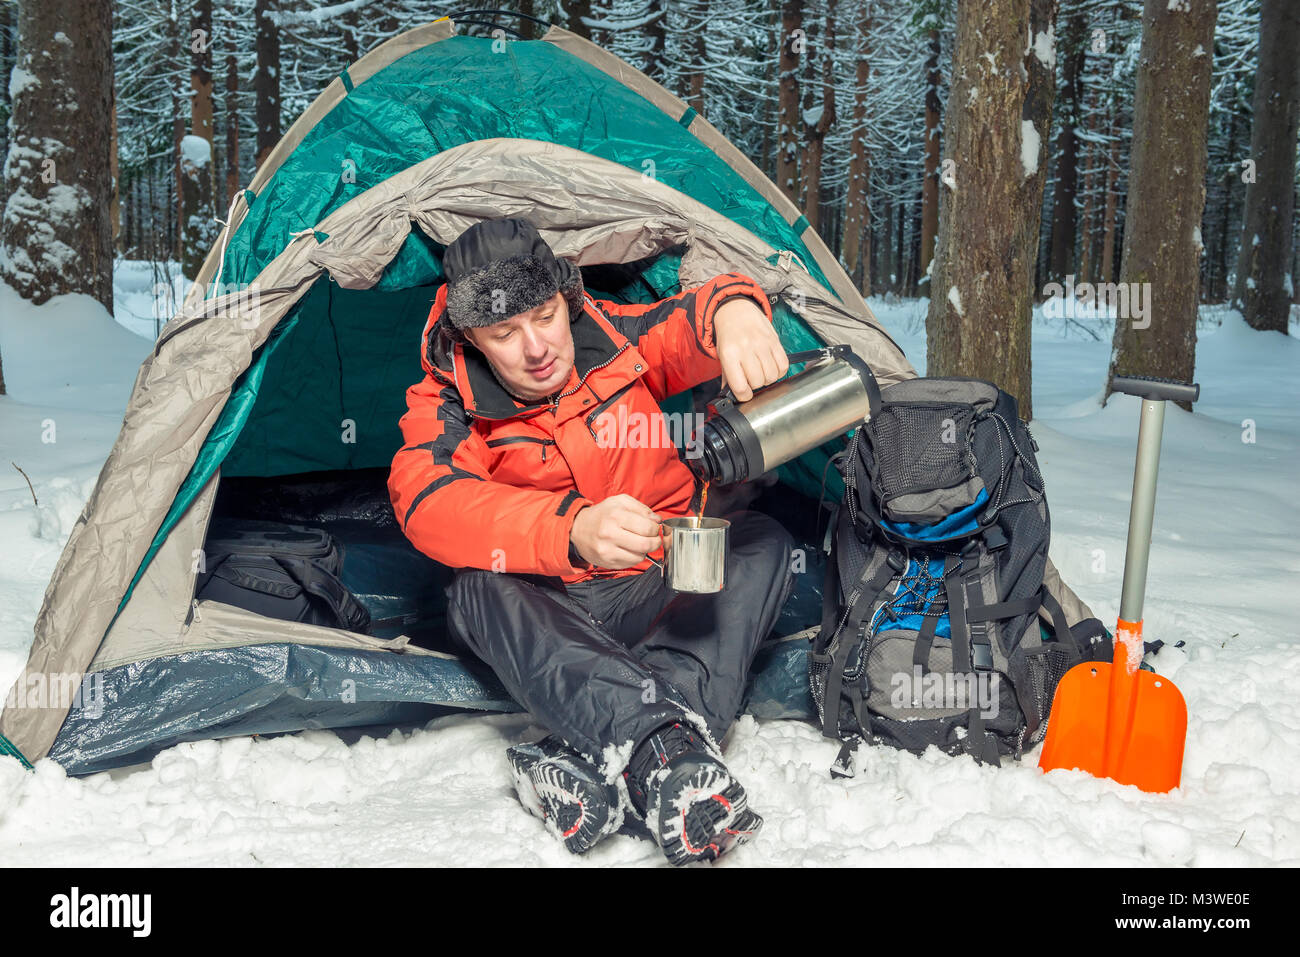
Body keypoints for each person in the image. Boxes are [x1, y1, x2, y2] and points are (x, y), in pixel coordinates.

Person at [388, 217, 794, 865]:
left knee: (759, 542)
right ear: (471, 336)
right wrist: (569, 529)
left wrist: (738, 308)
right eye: (504, 333)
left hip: (653, 588)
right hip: (553, 614)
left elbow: (689, 316)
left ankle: (591, 753)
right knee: (475, 583)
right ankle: (660, 750)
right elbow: (428, 501)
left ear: (565, 299)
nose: (536, 347)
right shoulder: (446, 401)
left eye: (545, 316)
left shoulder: (615, 337)